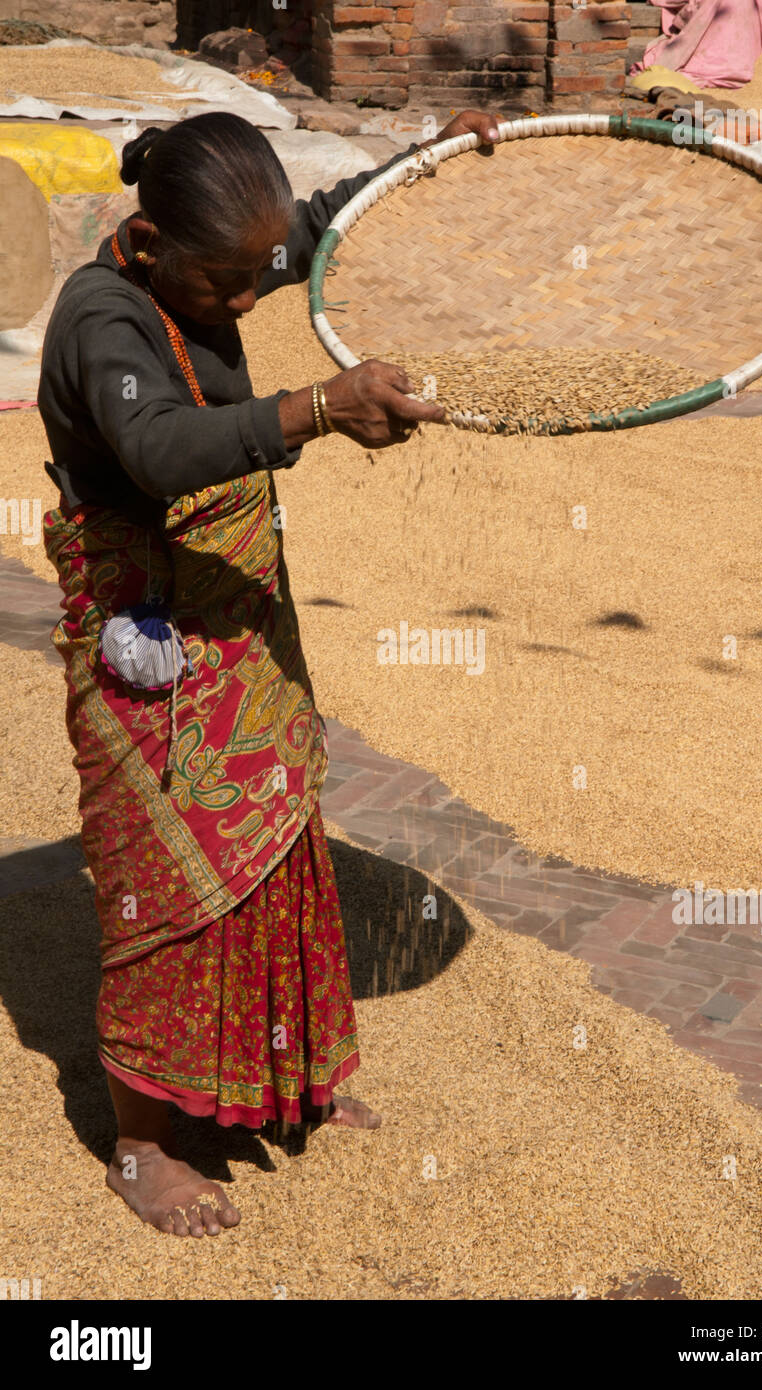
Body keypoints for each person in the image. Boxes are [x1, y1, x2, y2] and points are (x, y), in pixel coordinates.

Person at [38, 105, 500, 1237]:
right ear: (150, 250)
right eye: (224, 285)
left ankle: (281, 1066)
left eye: (258, 278)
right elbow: (153, 450)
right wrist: (317, 409)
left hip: (235, 598)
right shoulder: (102, 313)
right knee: (167, 873)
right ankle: (142, 1142)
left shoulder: (222, 261)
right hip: (142, 624)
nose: (248, 304)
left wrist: (427, 151)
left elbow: (324, 224)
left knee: (274, 824)